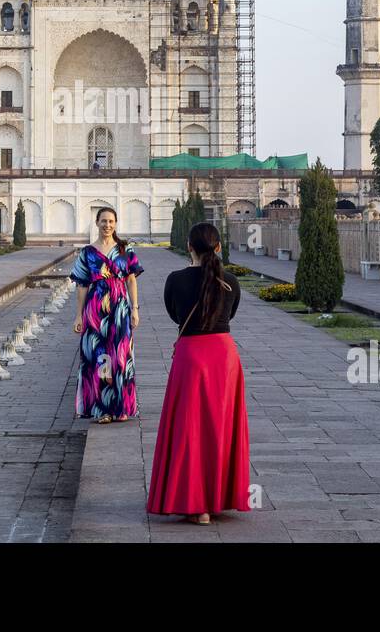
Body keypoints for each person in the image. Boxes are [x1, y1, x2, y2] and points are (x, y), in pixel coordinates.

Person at [147, 221, 250, 524]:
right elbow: (229, 314)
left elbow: (175, 315)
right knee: (220, 427)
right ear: (219, 247)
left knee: (190, 429)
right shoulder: (230, 281)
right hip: (224, 355)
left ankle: (197, 506)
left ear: (189, 247)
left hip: (192, 356)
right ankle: (218, 496)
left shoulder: (175, 280)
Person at [70, 206, 143, 423]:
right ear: (97, 223)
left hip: (120, 308)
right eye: (103, 221)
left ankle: (120, 407)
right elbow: (82, 285)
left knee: (120, 356)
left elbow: (131, 279)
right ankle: (103, 408)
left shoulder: (125, 250)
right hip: (96, 310)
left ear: (116, 224)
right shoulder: (87, 252)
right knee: (100, 357)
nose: (107, 225)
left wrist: (135, 309)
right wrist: (79, 315)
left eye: (111, 221)